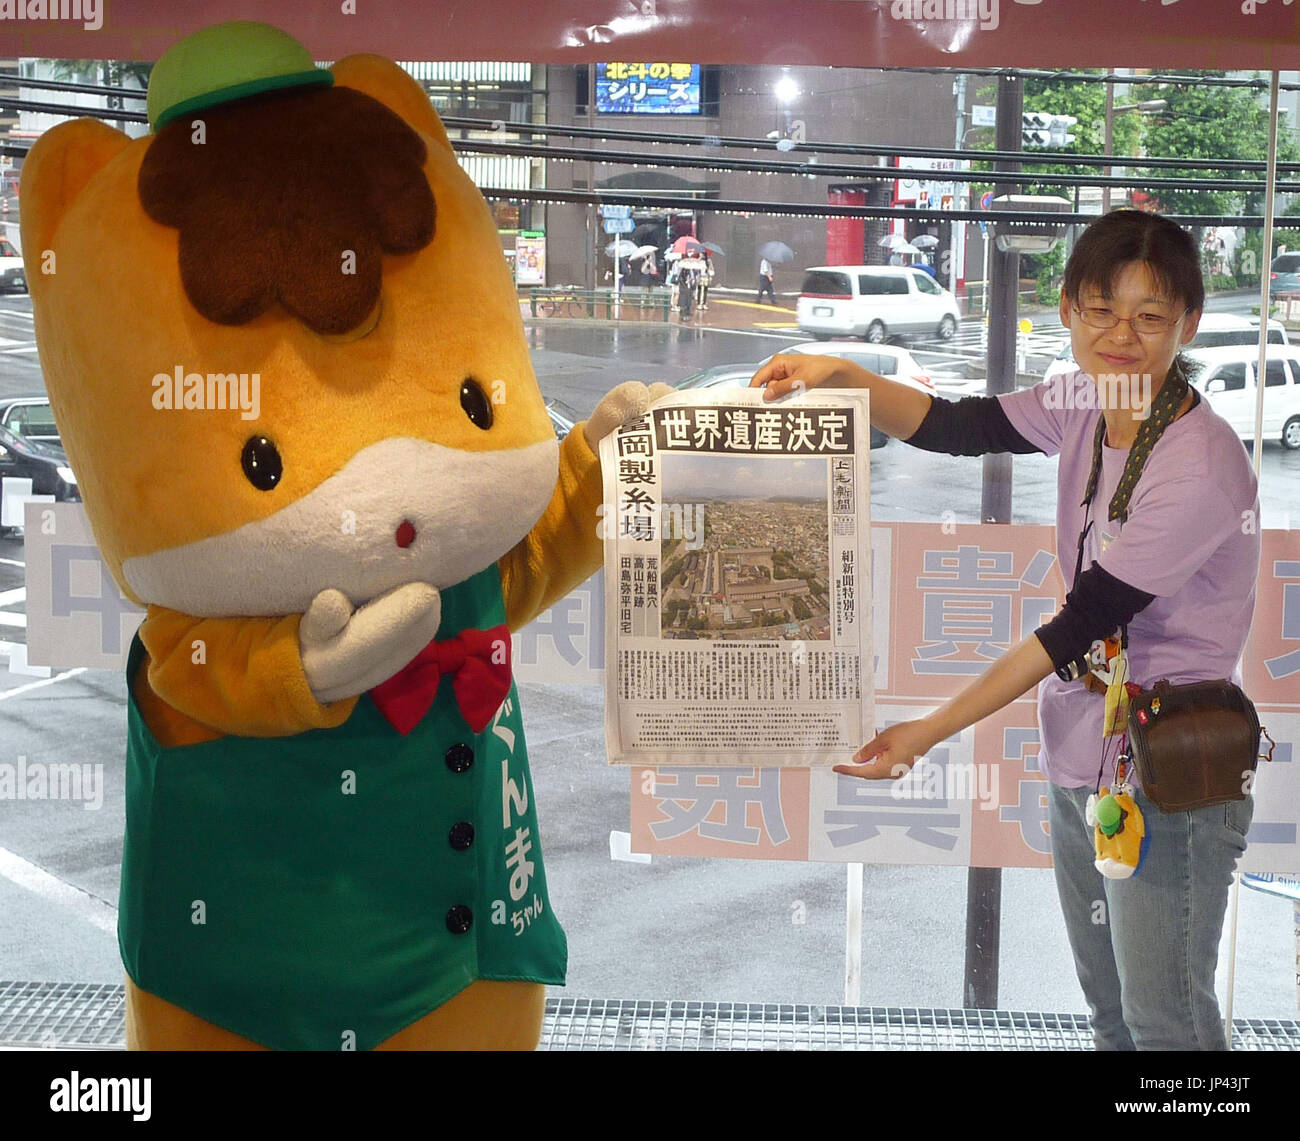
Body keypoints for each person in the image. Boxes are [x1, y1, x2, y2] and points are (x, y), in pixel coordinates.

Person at [751, 209, 1260, 1051]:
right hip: (1089, 750)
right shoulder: (1084, 402)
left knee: (1167, 1021)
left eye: (1149, 315)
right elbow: (961, 426)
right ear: (1066, 310)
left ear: (1189, 323)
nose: (1121, 336)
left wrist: (926, 730)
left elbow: (1076, 626)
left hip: (1172, 773)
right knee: (1112, 1014)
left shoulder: (1199, 464)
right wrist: (843, 373)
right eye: (1100, 309)